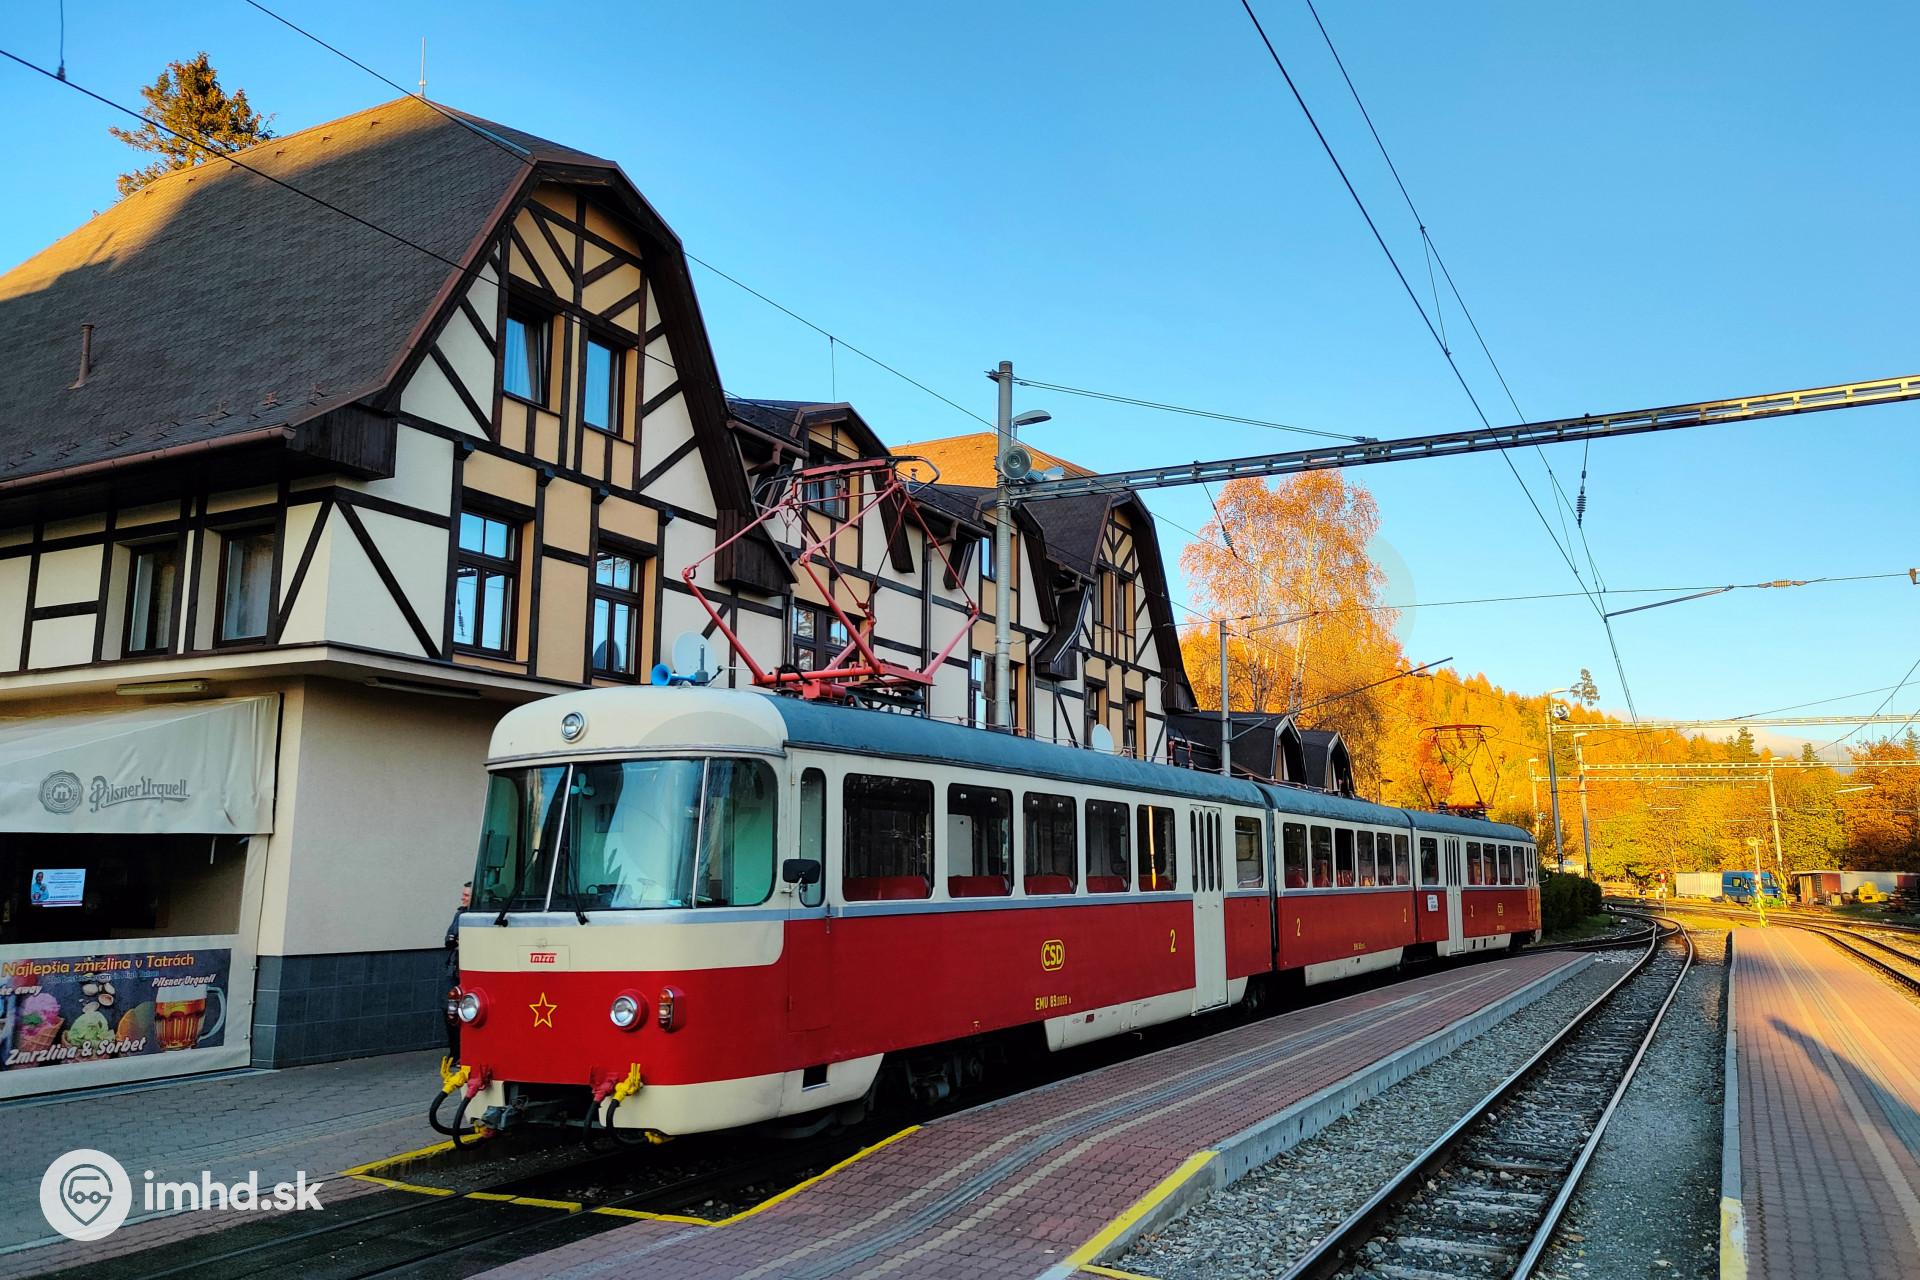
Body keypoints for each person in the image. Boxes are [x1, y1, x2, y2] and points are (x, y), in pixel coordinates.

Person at [444, 881, 470, 1058]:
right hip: (455, 968)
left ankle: (464, 1052)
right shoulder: (459, 914)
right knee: (449, 1010)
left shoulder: (476, 917)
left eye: (467, 895)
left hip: (468, 969)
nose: (463, 897)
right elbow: (449, 939)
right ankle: (455, 1052)